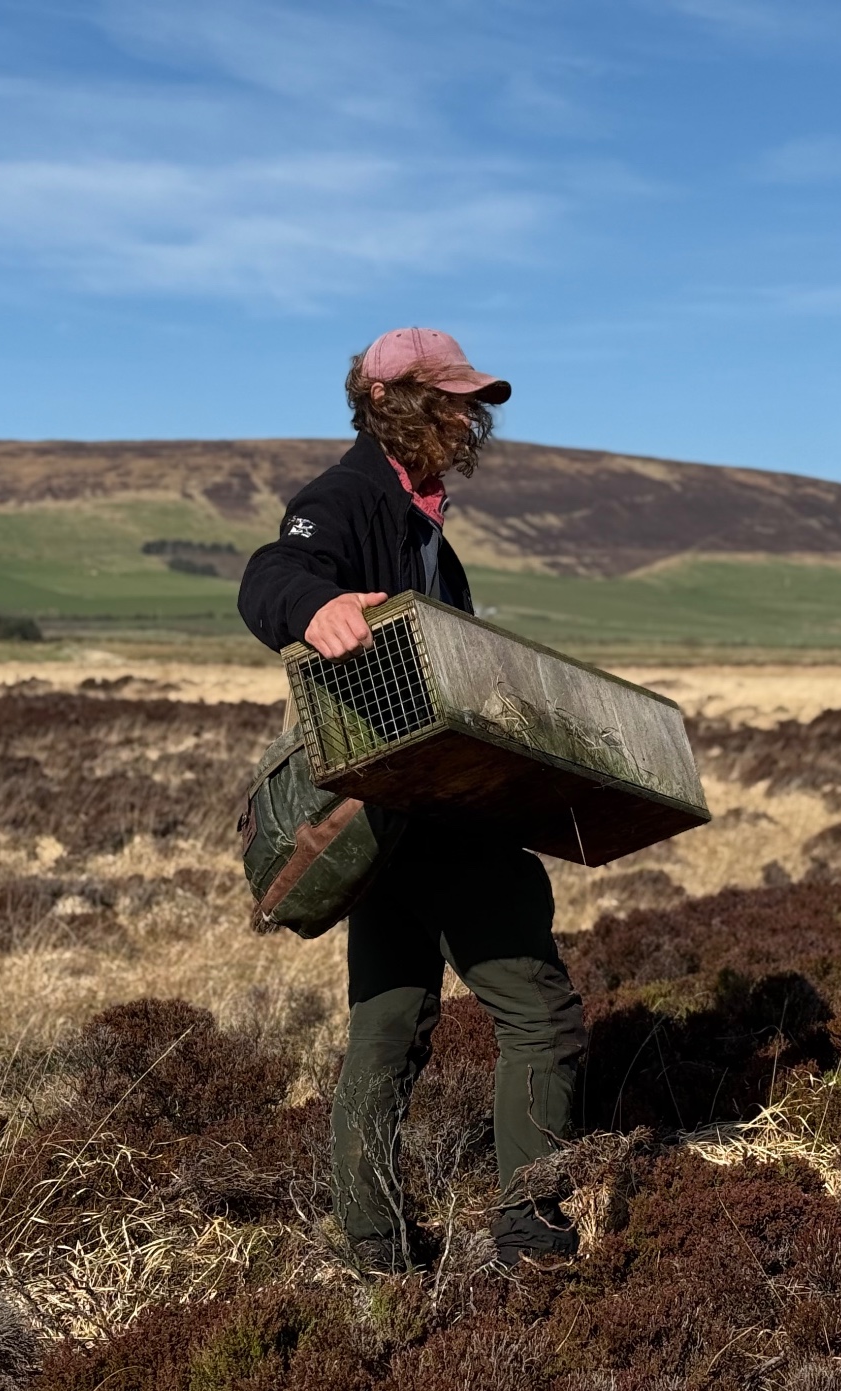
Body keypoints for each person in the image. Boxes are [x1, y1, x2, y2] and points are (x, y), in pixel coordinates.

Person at [236, 328, 587, 1275]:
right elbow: (273, 572)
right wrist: (312, 607)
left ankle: (376, 1250)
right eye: (458, 400)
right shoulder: (346, 497)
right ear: (395, 404)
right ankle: (531, 1238)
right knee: (540, 1019)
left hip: (399, 815)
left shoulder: (429, 530)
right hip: (409, 814)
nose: (474, 419)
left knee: (386, 1035)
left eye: (476, 403)